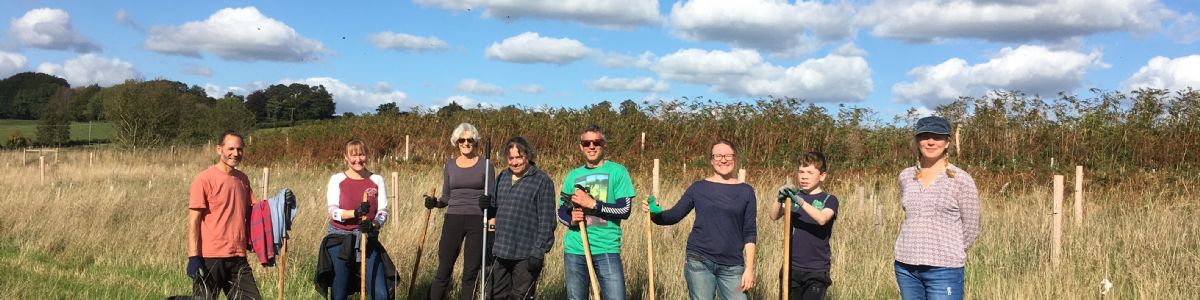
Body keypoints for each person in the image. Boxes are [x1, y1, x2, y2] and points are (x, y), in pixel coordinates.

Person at [644, 139, 757, 300]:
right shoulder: (698, 188)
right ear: (711, 160)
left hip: (733, 266)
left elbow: (750, 232)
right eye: (718, 156)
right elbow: (674, 215)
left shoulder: (746, 191)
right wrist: (655, 213)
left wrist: (749, 269)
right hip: (699, 260)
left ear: (735, 158)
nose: (723, 160)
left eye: (727, 155)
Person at [893, 116, 980, 300]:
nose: (931, 142)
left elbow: (971, 227)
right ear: (917, 141)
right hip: (906, 266)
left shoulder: (960, 179)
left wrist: (950, 250)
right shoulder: (906, 176)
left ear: (947, 142)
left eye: (937, 137)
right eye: (925, 136)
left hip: (944, 269)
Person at [557, 124, 636, 300]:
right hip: (575, 249)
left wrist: (593, 204)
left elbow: (625, 210)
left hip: (606, 248)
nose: (591, 147)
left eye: (596, 142)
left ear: (603, 144)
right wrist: (571, 219)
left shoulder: (618, 171)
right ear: (581, 147)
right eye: (586, 143)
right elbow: (561, 211)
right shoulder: (572, 176)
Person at [315, 139, 397, 299]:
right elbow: (333, 211)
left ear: (367, 155)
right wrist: (356, 212)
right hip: (340, 240)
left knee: (381, 294)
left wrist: (373, 224)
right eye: (353, 155)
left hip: (367, 238)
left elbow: (383, 212)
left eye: (361, 154)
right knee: (339, 293)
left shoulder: (377, 180)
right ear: (346, 157)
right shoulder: (337, 179)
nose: (358, 159)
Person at [186, 130, 262, 299]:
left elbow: (255, 212)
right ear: (219, 149)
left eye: (239, 149)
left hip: (238, 257)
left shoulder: (242, 179)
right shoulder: (204, 179)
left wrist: (280, 207)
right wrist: (193, 256)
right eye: (231, 149)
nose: (236, 153)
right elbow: (193, 221)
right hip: (209, 258)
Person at [428, 123, 496, 300]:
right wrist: (435, 203)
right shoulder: (450, 165)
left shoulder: (486, 165)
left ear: (475, 141)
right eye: (462, 140)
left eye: (470, 140)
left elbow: (493, 197)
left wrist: (488, 204)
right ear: (456, 142)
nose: (466, 143)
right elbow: (446, 197)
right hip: (453, 219)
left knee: (470, 272)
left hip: (477, 220)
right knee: (444, 268)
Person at [486, 136, 557, 299]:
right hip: (501, 250)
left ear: (528, 156)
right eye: (511, 158)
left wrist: (539, 251)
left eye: (519, 157)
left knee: (520, 296)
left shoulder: (542, 181)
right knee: (496, 295)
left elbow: (547, 221)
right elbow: (493, 207)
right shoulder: (502, 177)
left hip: (526, 253)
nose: (515, 162)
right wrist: (485, 204)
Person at [771, 152, 839, 300]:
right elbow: (774, 216)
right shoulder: (792, 197)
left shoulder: (829, 199)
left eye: (810, 172)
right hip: (791, 267)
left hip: (817, 270)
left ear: (822, 176)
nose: (804, 176)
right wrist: (779, 198)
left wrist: (800, 201)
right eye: (801, 172)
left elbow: (822, 219)